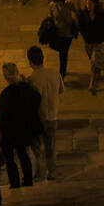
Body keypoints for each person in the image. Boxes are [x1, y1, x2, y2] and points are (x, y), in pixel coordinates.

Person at [0, 63, 43, 189]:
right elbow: (37, 99)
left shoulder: (6, 94)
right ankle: (28, 180)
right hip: (24, 128)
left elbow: (2, 114)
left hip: (10, 131)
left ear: (6, 77)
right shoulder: (26, 88)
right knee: (23, 154)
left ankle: (15, 183)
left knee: (10, 159)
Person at [26, 45, 64, 180]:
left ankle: (39, 172)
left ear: (30, 61)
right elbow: (61, 90)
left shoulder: (31, 80)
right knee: (51, 147)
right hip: (53, 116)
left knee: (37, 147)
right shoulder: (55, 73)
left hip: (39, 118)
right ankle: (52, 172)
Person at [79, 0, 104, 95]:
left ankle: (92, 84)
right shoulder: (83, 14)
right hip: (88, 42)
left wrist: (102, 33)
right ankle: (97, 75)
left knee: (94, 62)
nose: (88, 6)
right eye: (87, 4)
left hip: (98, 41)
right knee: (95, 61)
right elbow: (80, 26)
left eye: (90, 4)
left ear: (95, 4)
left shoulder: (101, 14)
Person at [47, 0, 79, 77]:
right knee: (61, 52)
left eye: (60, 1)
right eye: (57, 1)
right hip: (58, 33)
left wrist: (76, 24)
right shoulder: (52, 5)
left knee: (63, 53)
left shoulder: (69, 4)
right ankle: (63, 70)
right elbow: (50, 15)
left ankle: (62, 73)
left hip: (68, 34)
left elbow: (76, 13)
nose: (59, 3)